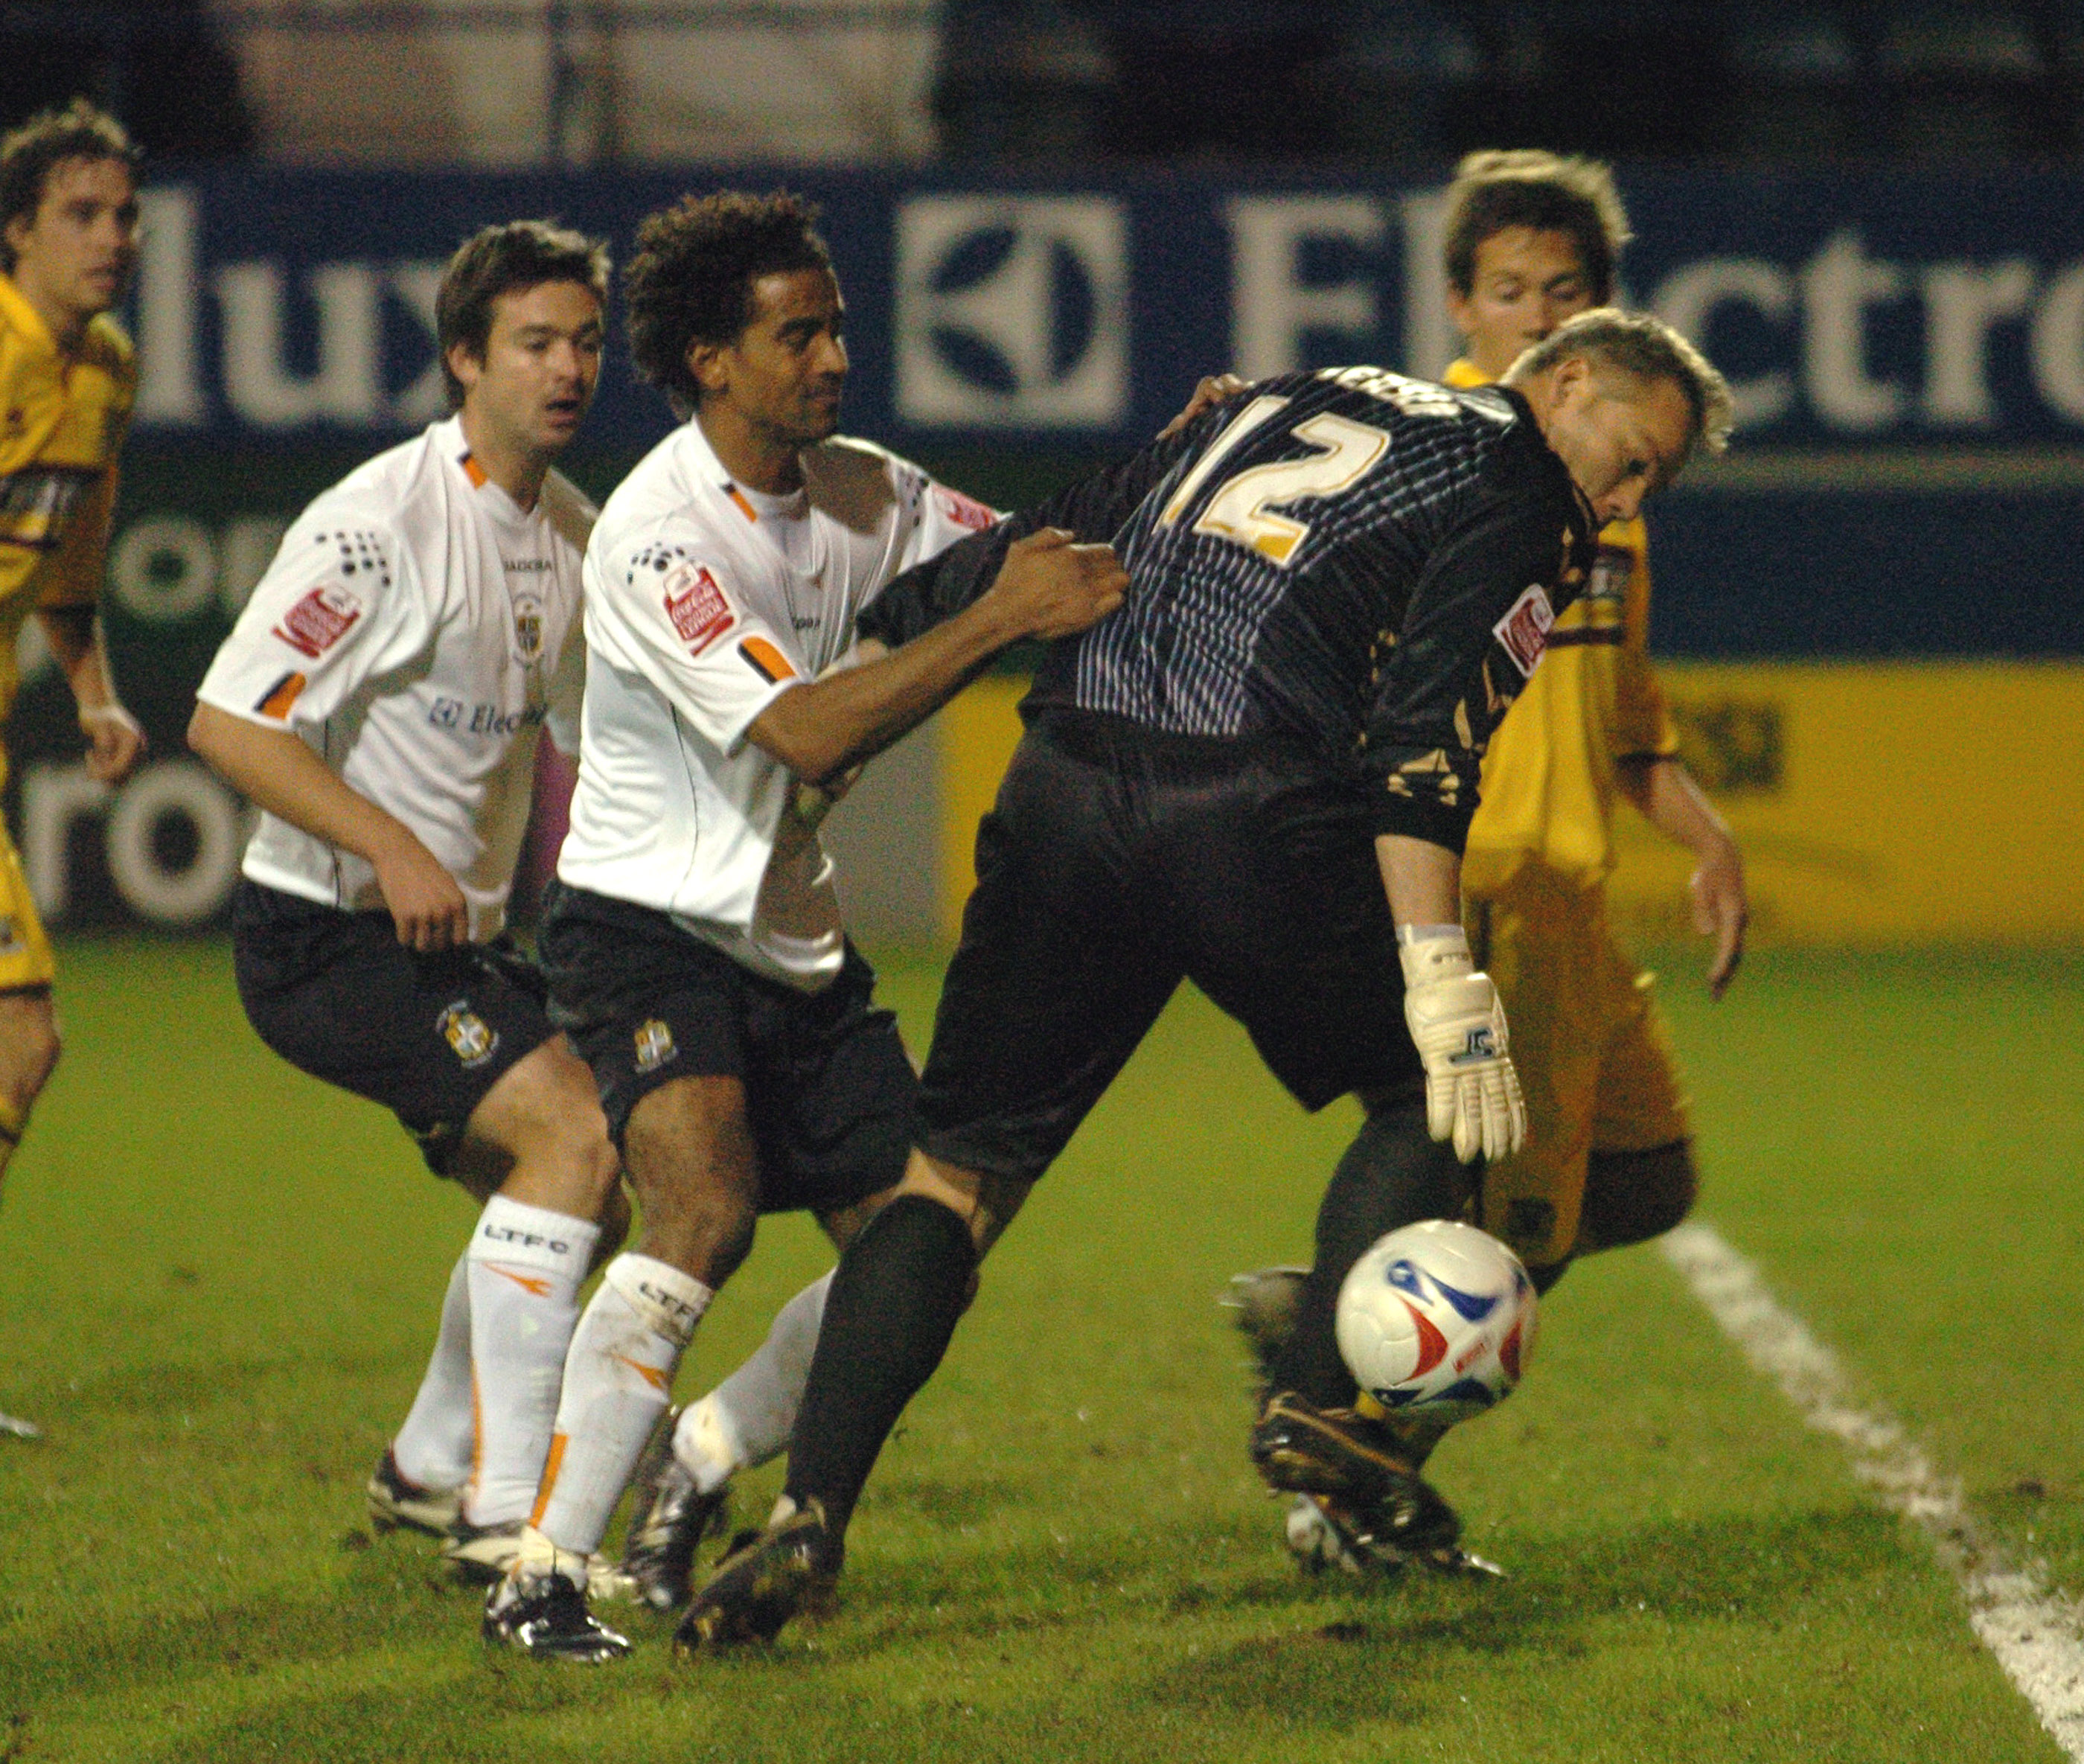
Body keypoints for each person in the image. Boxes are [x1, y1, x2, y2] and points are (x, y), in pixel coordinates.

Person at [677, 308, 1735, 1653]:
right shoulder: (1522, 482)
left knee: (953, 1177)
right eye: (1634, 459)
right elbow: (1426, 746)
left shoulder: (1278, 397)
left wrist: (850, 644)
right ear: (1569, 380)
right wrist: (1439, 976)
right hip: (1252, 802)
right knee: (1436, 1095)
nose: (1629, 496)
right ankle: (1319, 1401)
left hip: (1063, 784)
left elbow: (1034, 540)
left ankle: (810, 1517)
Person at [480, 190, 1131, 1661]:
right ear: (713, 359)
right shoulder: (656, 535)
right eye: (799, 333)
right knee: (696, 1210)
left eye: (835, 325)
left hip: (791, 941)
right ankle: (540, 1569)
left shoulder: (868, 491)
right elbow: (805, 731)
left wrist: (1178, 460)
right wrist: (989, 623)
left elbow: (1032, 545)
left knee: (927, 1246)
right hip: (640, 918)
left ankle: (703, 1455)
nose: (834, 354)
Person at [1239, 152, 1749, 1574]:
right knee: (1512, 1238)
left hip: (1574, 902)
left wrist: (1705, 834)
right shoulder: (1442, 457)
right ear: (1460, 304)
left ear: (1601, 320)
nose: (1531, 317)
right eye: (1506, 292)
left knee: (1645, 1189)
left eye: (1563, 294)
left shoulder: (1614, 494)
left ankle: (1332, 1318)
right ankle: (1350, 1491)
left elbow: (1622, 716)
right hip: (1483, 894)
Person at [188, 220, 631, 1598]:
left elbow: (598, 739)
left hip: (457, 942)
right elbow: (227, 722)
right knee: (568, 1136)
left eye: (586, 343)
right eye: (535, 343)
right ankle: (503, 1517)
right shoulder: (377, 524)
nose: (567, 369)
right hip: (322, 937)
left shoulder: (572, 533)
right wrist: (389, 844)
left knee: (570, 1193)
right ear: (463, 359)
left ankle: (432, 1461)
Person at [0, 101, 150, 1438]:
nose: (113, 237)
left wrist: (94, 693)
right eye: (82, 215)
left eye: (125, 214)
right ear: (17, 232)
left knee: (20, 1039)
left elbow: (71, 555)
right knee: (18, 1032)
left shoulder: (106, 366)